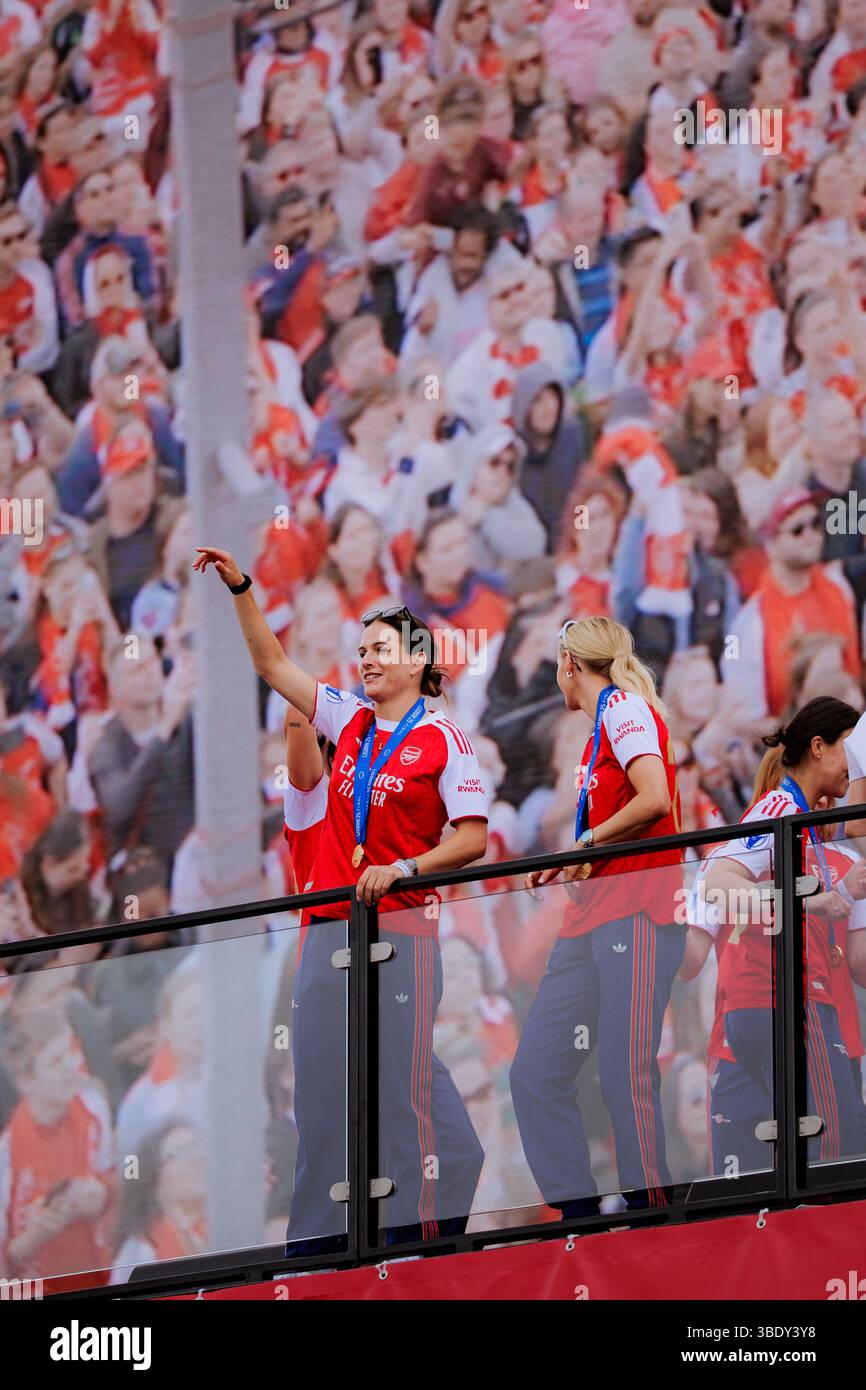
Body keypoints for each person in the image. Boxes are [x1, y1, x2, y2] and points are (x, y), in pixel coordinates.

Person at [193, 545, 488, 1248]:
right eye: (360, 650)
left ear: (418, 660)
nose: (366, 659)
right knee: (324, 1115)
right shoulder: (347, 721)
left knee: (410, 1116)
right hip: (332, 940)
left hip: (402, 939)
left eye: (380, 648)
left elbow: (474, 837)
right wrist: (242, 588)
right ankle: (312, 1264)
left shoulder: (445, 739)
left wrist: (408, 867)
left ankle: (414, 1259)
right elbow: (272, 667)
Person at [509, 614, 684, 1216]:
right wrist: (576, 860)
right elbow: (622, 818)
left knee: (624, 1072)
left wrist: (582, 846)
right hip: (594, 918)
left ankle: (652, 1219)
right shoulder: (599, 727)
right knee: (534, 1070)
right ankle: (577, 1216)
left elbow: (655, 796)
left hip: (637, 911)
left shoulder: (623, 709)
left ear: (568, 664)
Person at [683, 698, 866, 1172]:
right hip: (783, 1002)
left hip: (768, 1008)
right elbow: (719, 884)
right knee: (834, 1160)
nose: (860, 763)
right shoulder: (781, 807)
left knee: (783, 1175)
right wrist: (803, 902)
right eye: (854, 749)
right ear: (819, 747)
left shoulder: (803, 820)